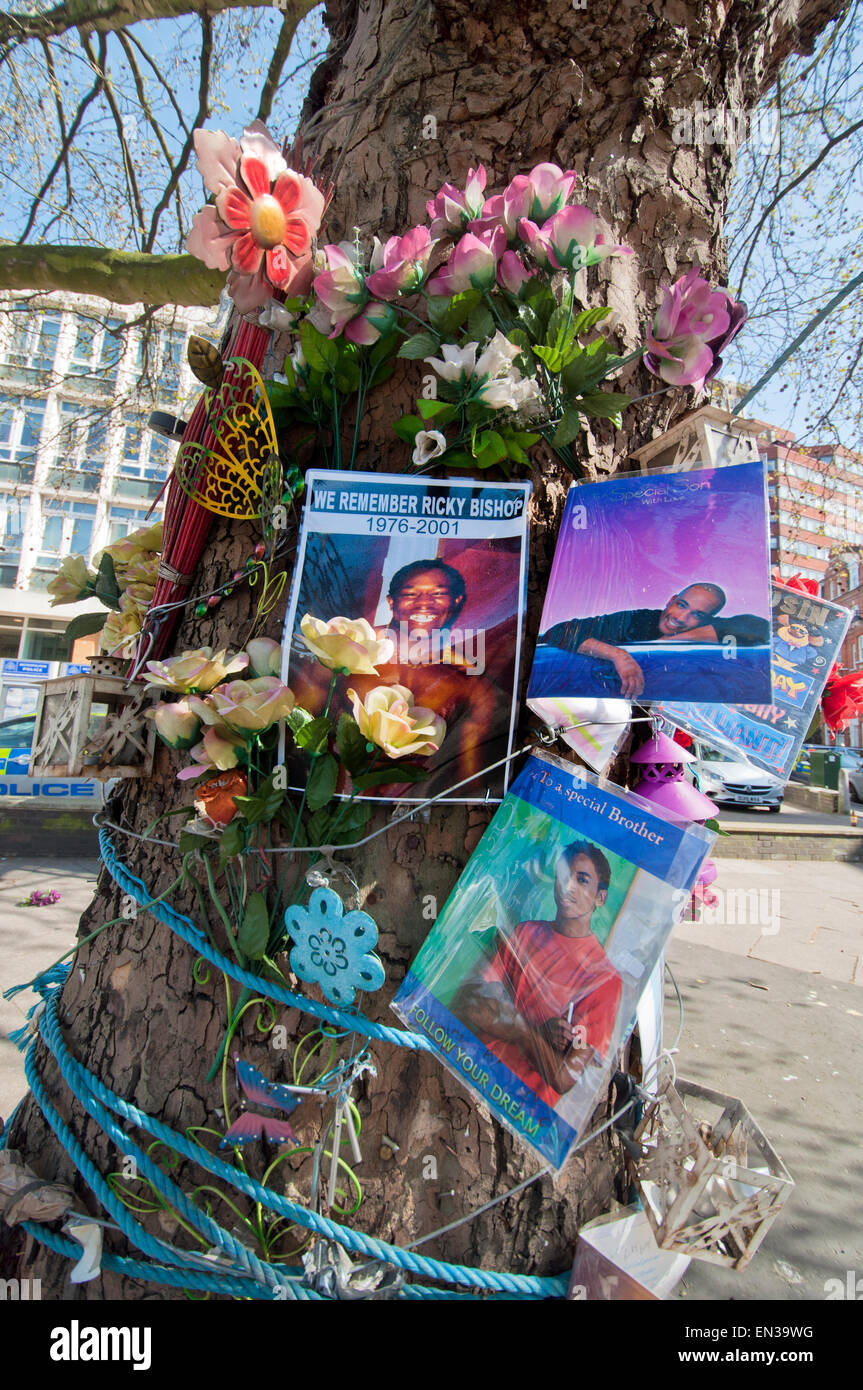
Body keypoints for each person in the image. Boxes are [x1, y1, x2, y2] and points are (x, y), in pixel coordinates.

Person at [291, 558, 501, 796]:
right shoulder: (350, 646)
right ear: (391, 602)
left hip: (408, 801)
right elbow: (297, 726)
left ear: (456, 601)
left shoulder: (467, 675)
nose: (424, 604)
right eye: (411, 594)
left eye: (437, 594)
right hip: (336, 793)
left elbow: (470, 768)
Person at [454, 842, 622, 1107]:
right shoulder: (525, 932)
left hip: (521, 1106)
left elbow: (563, 1077)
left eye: (582, 880)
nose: (569, 887)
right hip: (467, 1070)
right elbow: (468, 1003)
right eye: (564, 875)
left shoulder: (605, 980)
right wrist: (537, 1034)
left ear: (600, 897)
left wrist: (518, 1028)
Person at [539, 582, 770, 697]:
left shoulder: (696, 640)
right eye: (681, 605)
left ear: (707, 622)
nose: (680, 618)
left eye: (697, 615)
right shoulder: (638, 620)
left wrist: (672, 642)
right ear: (671, 600)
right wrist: (619, 655)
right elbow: (558, 631)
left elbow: (758, 627)